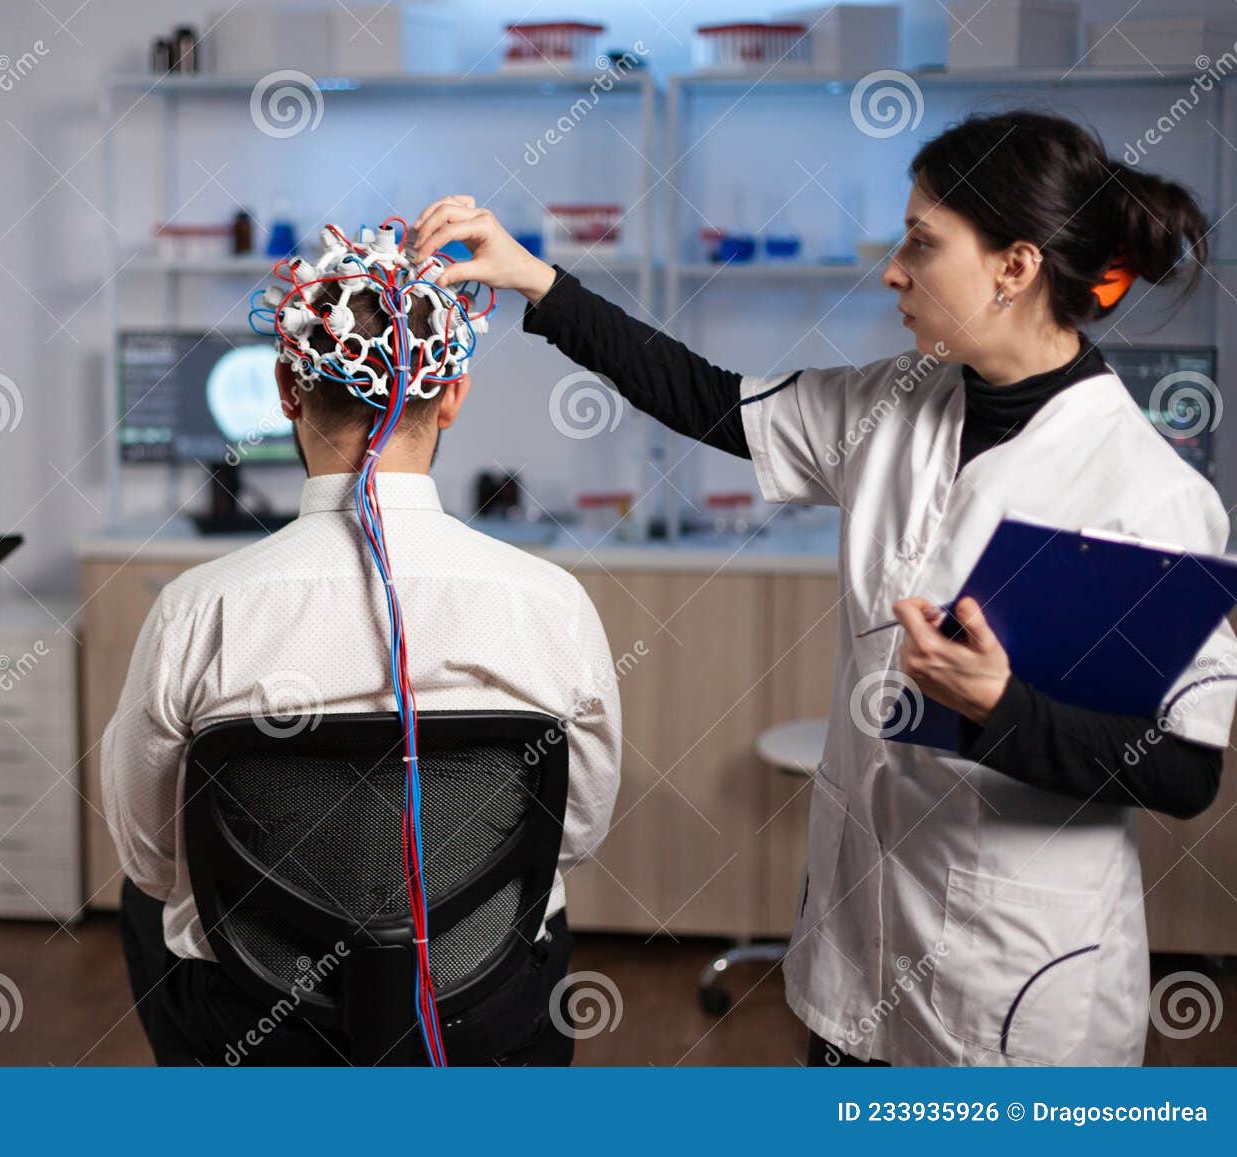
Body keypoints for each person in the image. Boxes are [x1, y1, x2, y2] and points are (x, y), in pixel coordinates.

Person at [406, 109, 1237, 1067]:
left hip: (1016, 984)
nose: (893, 269)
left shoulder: (1145, 490)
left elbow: (1183, 770)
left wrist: (1001, 708)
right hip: (859, 946)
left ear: (1015, 267)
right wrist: (536, 281)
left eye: (922, 244)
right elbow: (706, 397)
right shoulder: (893, 403)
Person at [101, 246, 623, 1065]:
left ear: (284, 390)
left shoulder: (198, 611)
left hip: (263, 1030)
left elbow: (148, 855)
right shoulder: (549, 603)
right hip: (482, 1011)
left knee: (143, 903)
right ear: (451, 397)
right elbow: (575, 836)